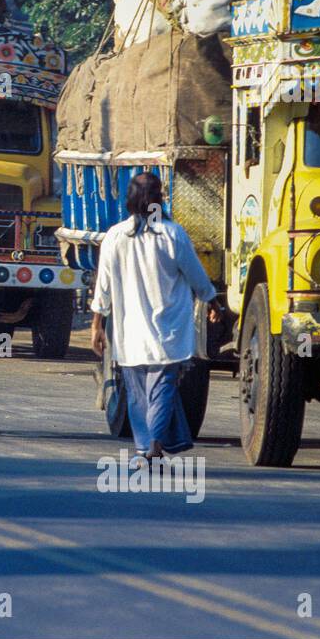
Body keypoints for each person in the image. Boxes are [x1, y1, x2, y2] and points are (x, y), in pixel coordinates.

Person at [90, 172, 220, 464]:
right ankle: (153, 446)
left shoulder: (114, 236)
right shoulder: (172, 234)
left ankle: (145, 448)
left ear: (129, 201)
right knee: (161, 390)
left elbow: (103, 287)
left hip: (129, 333)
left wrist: (97, 324)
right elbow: (197, 277)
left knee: (137, 396)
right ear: (160, 199)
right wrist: (213, 301)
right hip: (167, 332)